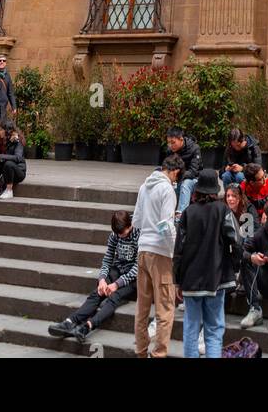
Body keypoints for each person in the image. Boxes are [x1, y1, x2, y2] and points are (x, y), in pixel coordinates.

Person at [173, 168, 241, 359]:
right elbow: (236, 240)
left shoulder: (188, 213)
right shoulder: (223, 210)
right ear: (214, 191)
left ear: (197, 190)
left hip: (190, 280)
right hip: (215, 278)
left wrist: (177, 280)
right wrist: (234, 266)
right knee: (214, 330)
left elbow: (178, 250)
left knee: (191, 329)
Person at [49, 211, 139, 342]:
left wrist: (116, 284)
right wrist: (102, 279)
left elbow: (138, 266)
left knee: (114, 297)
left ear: (130, 226)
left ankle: (87, 327)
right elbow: (108, 259)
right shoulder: (115, 234)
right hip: (117, 269)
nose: (121, 236)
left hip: (133, 278)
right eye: (119, 234)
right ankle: (69, 322)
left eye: (124, 233)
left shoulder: (139, 233)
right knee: (98, 292)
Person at [133, 153, 183, 358]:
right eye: (177, 177)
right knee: (165, 308)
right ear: (175, 171)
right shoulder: (168, 189)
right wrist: (174, 251)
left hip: (142, 249)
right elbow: (165, 226)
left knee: (142, 307)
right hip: (161, 252)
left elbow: (136, 220)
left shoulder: (144, 186)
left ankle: (141, 352)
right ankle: (159, 354)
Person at [239, 196, 268, 330]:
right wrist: (253, 257)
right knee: (246, 261)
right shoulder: (261, 233)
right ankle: (255, 309)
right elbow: (242, 250)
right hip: (265, 281)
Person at [161, 127, 202, 214]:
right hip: (176, 177)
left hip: (194, 179)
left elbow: (193, 172)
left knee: (185, 183)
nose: (170, 145)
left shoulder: (194, 148)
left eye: (173, 142)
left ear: (181, 139)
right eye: (168, 143)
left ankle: (180, 215)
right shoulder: (170, 150)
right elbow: (166, 168)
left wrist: (177, 176)